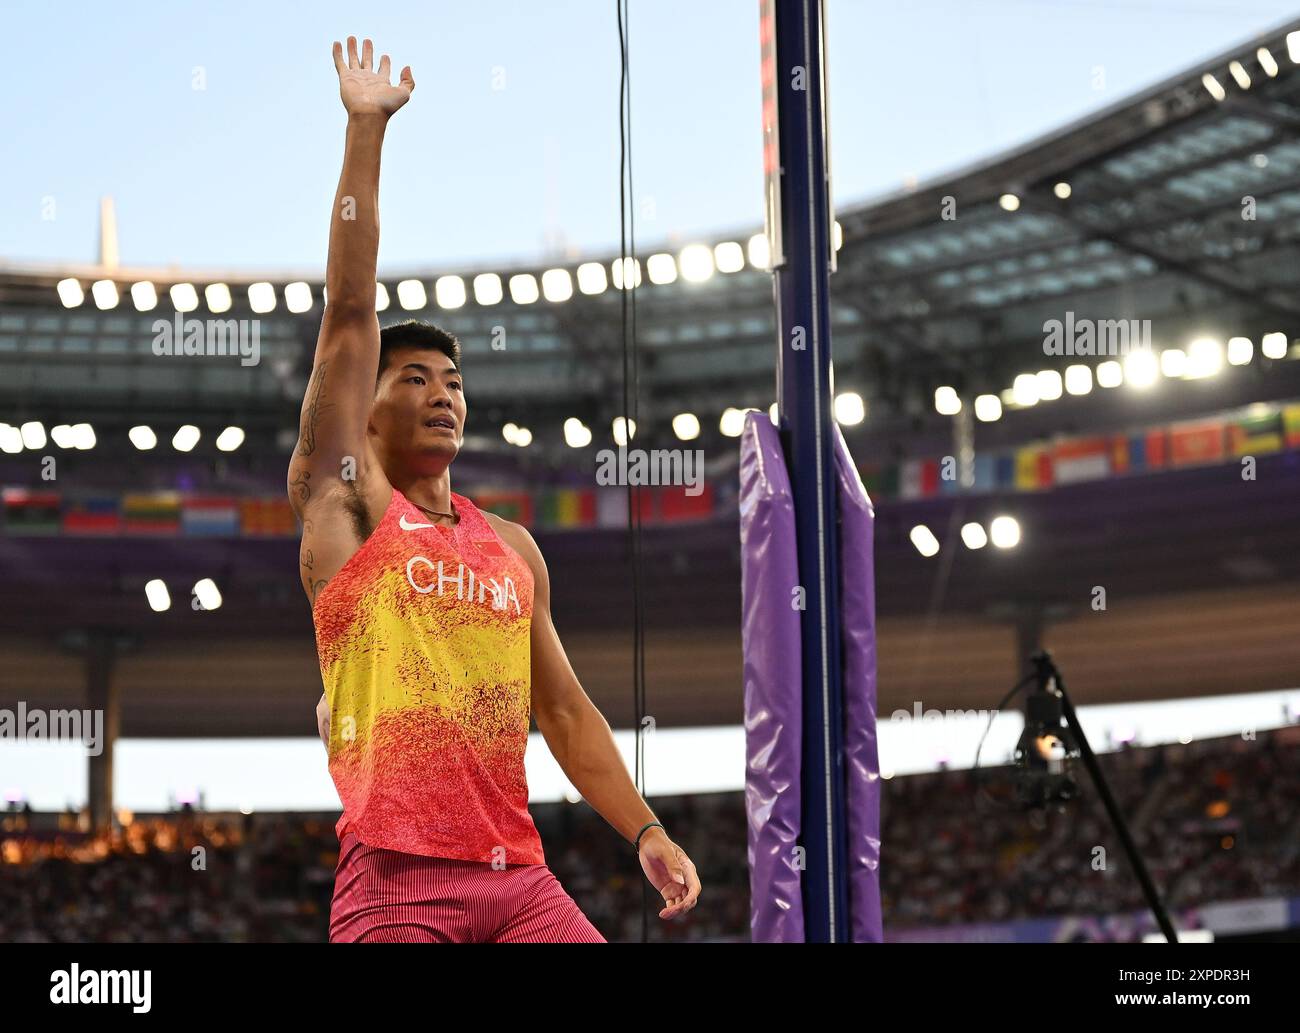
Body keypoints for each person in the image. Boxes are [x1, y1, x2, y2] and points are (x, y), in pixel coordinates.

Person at [287, 36, 701, 942]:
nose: (443, 393)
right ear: (366, 410)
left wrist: (648, 828)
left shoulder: (511, 547)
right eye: (415, 378)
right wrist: (366, 132)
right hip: (396, 884)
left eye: (455, 380)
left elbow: (561, 708)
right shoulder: (348, 509)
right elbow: (350, 310)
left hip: (519, 882)